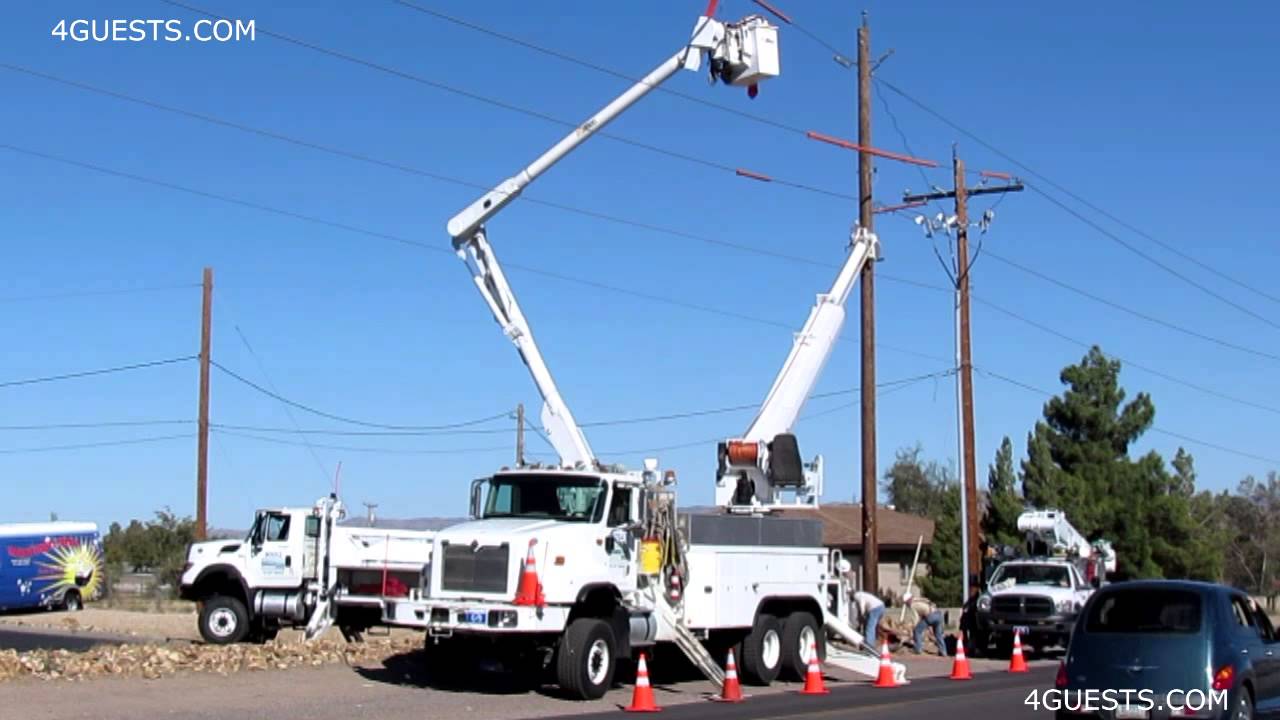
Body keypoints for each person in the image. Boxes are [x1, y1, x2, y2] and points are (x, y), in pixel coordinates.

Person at [904, 592, 947, 656]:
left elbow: (916, 618)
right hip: (938, 614)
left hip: (930, 615)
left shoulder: (912, 604)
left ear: (908, 600)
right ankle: (943, 651)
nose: (906, 605)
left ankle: (918, 649)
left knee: (917, 631)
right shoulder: (919, 600)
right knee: (938, 634)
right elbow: (928, 604)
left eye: (906, 603)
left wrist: (913, 626)